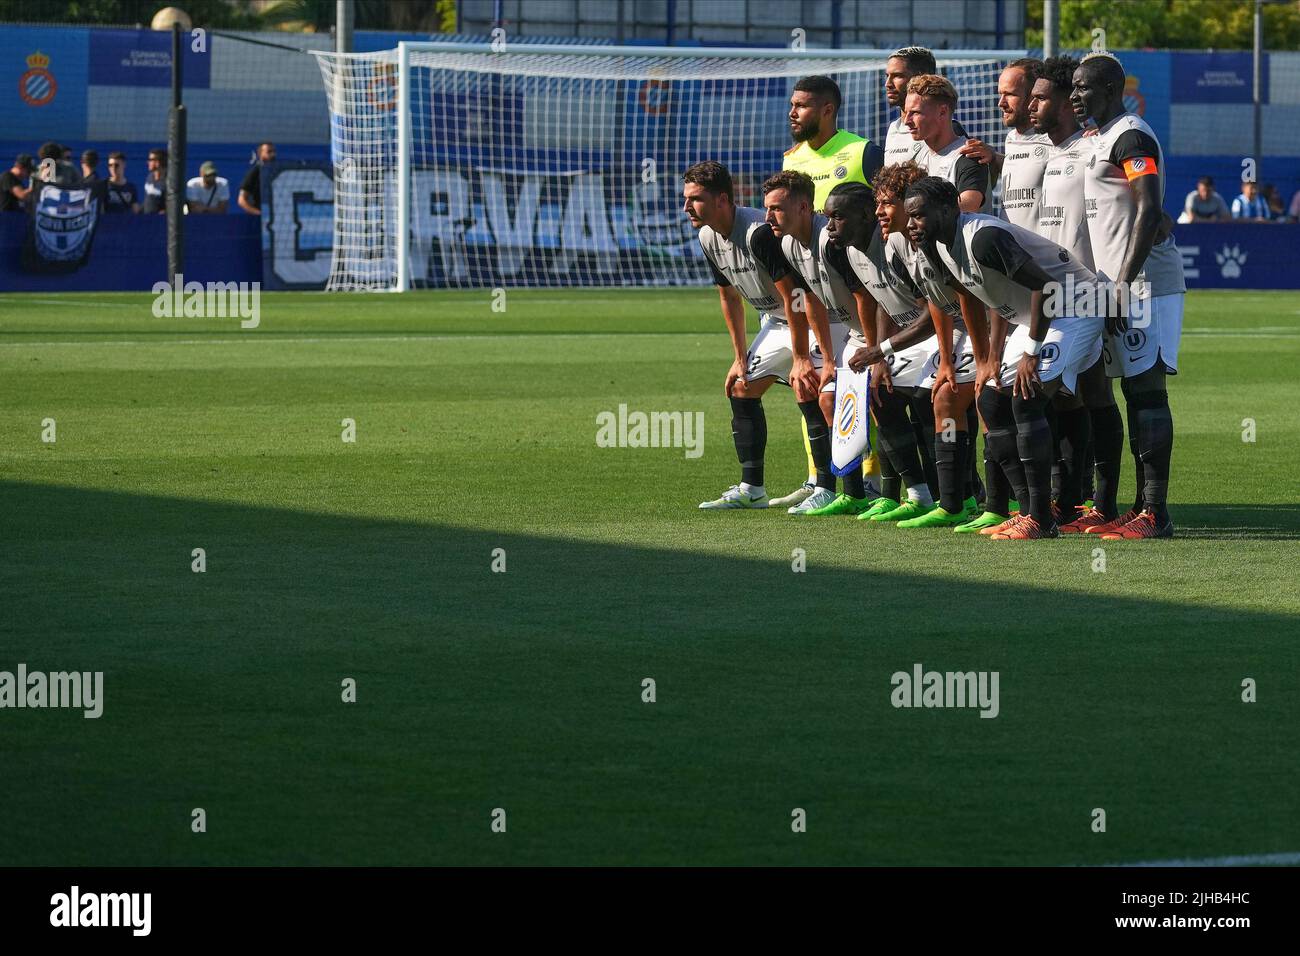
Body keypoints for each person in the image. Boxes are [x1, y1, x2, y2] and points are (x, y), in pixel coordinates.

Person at [907, 176, 1107, 539]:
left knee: (1027, 400)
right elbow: (993, 294)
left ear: (949, 209)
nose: (911, 225)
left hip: (1077, 305)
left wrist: (1030, 351)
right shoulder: (939, 246)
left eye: (919, 216)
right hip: (1037, 314)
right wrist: (991, 358)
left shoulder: (983, 237)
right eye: (910, 217)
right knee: (991, 400)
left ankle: (1043, 520)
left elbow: (1046, 285)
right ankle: (1031, 509)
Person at [1072, 51, 1186, 540]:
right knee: (1127, 389)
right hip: (1118, 285)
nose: (1076, 95)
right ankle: (1133, 507)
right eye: (1073, 87)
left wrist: (1121, 283)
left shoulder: (1132, 137)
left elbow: (1149, 210)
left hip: (1144, 284)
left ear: (1113, 90)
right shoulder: (1100, 138)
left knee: (1146, 391)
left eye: (1084, 88)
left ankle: (1155, 513)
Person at [682, 161, 840, 511]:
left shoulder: (757, 232)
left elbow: (795, 295)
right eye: (686, 198)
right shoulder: (707, 236)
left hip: (812, 319)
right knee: (741, 386)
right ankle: (752, 489)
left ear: (723, 199)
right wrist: (739, 358)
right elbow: (728, 296)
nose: (686, 207)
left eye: (695, 199)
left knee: (807, 385)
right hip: (774, 321)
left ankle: (825, 487)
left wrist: (800, 358)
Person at [778, 75, 886, 509]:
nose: (792, 112)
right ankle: (818, 477)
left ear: (827, 109)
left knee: (866, 393)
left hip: (862, 288)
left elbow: (882, 211)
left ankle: (873, 478)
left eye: (801, 105)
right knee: (813, 384)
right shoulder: (791, 158)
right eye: (792, 104)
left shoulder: (861, 151)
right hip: (817, 291)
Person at [1030, 55, 1126, 535]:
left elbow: (1131, 204)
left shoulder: (1096, 147)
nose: (1031, 105)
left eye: (1041, 96)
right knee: (1071, 395)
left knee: (1084, 392)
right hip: (1055, 290)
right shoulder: (1053, 153)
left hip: (1090, 290)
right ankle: (1071, 500)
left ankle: (1095, 504)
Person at [831, 168, 939, 523]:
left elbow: (935, 314)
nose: (881, 211)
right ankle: (917, 494)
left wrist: (881, 351)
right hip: (911, 337)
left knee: (929, 399)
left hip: (949, 332)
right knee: (881, 395)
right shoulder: (853, 250)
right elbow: (881, 302)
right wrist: (879, 355)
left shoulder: (906, 245)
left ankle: (961, 495)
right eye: (878, 202)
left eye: (887, 203)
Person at [766, 170, 873, 515]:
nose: (768, 217)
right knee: (821, 395)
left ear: (803, 208)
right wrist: (825, 360)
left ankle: (911, 491)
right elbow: (809, 298)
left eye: (777, 209)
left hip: (873, 331)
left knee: (883, 405)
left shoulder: (831, 242)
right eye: (766, 208)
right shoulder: (786, 243)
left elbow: (865, 299)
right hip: (847, 333)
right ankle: (840, 491)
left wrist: (875, 352)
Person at [238, 142, 276, 215]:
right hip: (257, 220)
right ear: (260, 154)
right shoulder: (255, 172)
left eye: (274, 151)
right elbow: (241, 200)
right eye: (269, 152)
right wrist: (259, 214)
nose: (273, 155)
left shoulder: (277, 172)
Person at [142, 148, 167, 215]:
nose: (148, 162)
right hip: (146, 219)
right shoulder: (150, 177)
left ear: (158, 162)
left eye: (150, 160)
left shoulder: (169, 181)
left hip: (160, 221)